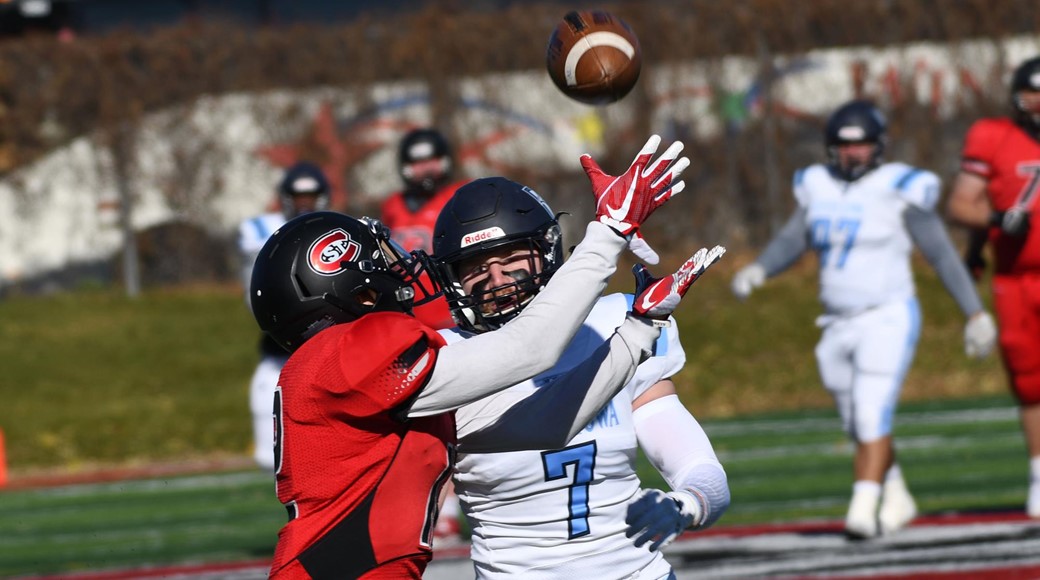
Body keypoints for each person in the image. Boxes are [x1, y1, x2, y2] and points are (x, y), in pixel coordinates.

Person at [249, 135, 712, 579]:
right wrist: (608, 232)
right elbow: (530, 348)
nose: (400, 271)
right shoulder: (344, 358)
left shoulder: (372, 381)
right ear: (343, 289)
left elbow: (545, 427)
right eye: (378, 269)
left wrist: (637, 331)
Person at [430, 176, 729, 579]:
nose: (497, 279)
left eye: (512, 257)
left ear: (547, 251)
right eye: (476, 267)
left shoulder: (612, 323)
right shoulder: (443, 359)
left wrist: (684, 505)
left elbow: (699, 469)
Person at [730, 100, 997, 539]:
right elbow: (794, 236)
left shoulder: (900, 187)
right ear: (830, 148)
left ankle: (861, 507)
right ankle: (895, 492)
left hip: (887, 315)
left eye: (861, 145)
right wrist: (761, 267)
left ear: (879, 147)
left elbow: (941, 253)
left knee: (872, 413)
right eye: (843, 146)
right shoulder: (817, 184)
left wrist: (974, 312)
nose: (852, 154)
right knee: (856, 420)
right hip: (835, 321)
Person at [946, 55, 1040, 519]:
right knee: (1029, 380)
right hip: (1017, 275)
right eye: (1033, 93)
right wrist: (995, 222)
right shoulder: (994, 137)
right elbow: (963, 203)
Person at [237, 161, 331, 471]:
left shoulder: (336, 226)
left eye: (312, 196)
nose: (305, 204)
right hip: (282, 344)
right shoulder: (263, 230)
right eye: (298, 196)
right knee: (272, 458)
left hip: (330, 342)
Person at [380, 127, 463, 332]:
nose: (426, 169)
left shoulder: (458, 197)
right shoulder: (392, 206)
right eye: (418, 163)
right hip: (410, 316)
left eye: (431, 161)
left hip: (454, 315)